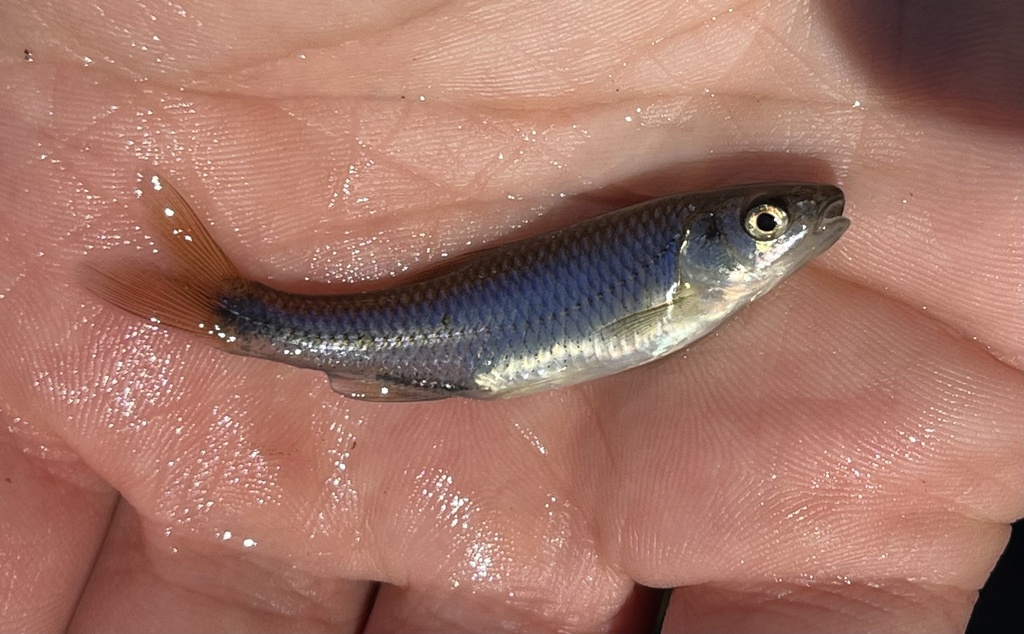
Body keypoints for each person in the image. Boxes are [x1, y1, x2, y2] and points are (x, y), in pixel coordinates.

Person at [1, 1, 1020, 631]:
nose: (794, 225)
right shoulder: (674, 280)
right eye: (763, 222)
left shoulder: (692, 272)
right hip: (454, 341)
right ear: (700, 248)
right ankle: (236, 313)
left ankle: (240, 314)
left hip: (461, 345)